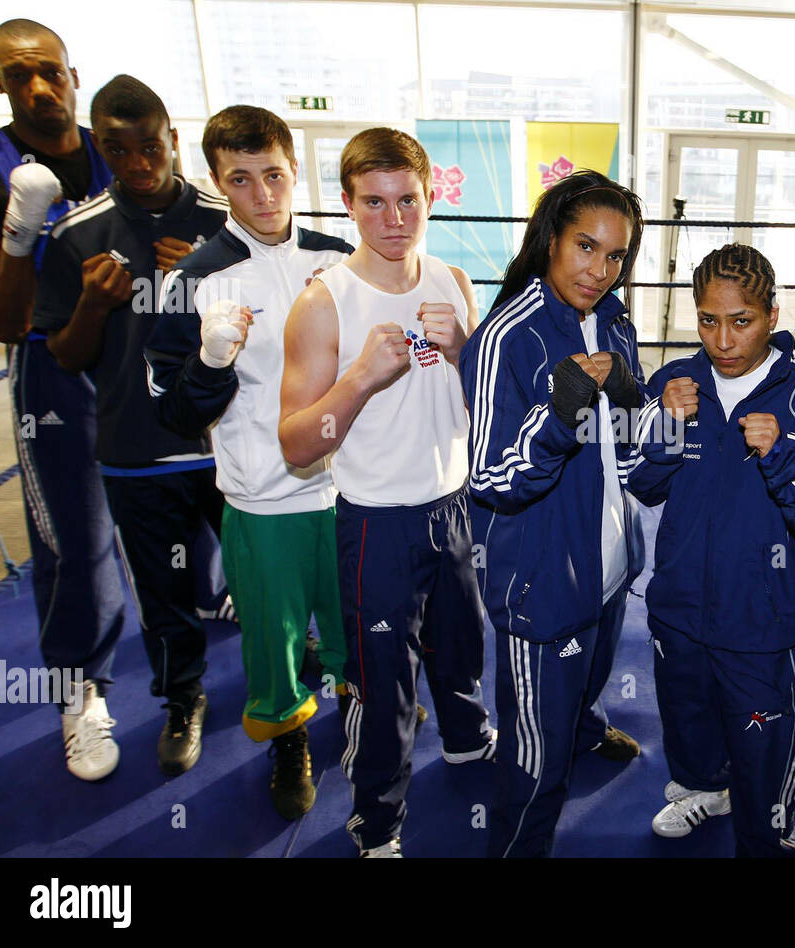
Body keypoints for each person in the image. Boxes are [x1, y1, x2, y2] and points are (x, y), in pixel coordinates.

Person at [278, 127, 494, 857]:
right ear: (347, 204)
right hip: (375, 522)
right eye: (374, 203)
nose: (394, 219)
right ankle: (378, 821)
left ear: (430, 198)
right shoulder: (324, 302)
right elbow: (297, 442)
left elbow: (481, 406)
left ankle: (466, 741)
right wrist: (361, 377)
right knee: (385, 685)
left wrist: (463, 351)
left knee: (462, 645)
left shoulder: (453, 282)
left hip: (453, 504)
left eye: (408, 200)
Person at [144, 106, 352, 818]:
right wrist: (209, 362)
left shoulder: (339, 258)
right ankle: (288, 739)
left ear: (295, 172)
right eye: (242, 179)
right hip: (264, 500)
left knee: (359, 619)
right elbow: (171, 413)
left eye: (273, 175)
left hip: (354, 489)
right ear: (217, 183)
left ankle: (360, 705)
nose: (263, 195)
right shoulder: (195, 280)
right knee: (274, 641)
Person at [628, 243, 795, 856]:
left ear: (773, 316)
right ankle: (703, 788)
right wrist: (667, 431)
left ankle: (770, 832)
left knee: (764, 744)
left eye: (742, 321)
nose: (724, 339)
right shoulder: (674, 385)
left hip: (762, 619)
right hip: (679, 606)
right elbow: (643, 486)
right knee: (686, 716)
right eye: (708, 320)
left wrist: (783, 456)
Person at [31, 75, 230, 776]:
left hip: (228, 446)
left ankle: (288, 697)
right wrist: (91, 304)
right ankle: (183, 700)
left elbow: (277, 333)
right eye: (118, 151)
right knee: (164, 595)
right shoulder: (76, 235)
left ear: (172, 140)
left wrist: (210, 288)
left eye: (150, 146)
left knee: (267, 582)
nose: (138, 163)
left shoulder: (225, 221)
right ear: (103, 151)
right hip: (137, 452)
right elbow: (63, 353)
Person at [460, 169, 647, 858]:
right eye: (585, 247)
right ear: (550, 240)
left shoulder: (616, 319)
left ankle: (585, 723)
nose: (599, 269)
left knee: (590, 675)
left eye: (616, 255)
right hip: (541, 574)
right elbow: (490, 477)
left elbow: (628, 448)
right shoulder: (505, 337)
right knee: (534, 760)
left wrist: (637, 402)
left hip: (608, 557)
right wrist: (559, 413)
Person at [0, 18, 123, 782]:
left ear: (72, 72)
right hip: (49, 368)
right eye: (17, 74)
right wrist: (17, 232)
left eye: (49, 71)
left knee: (192, 488)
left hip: (136, 357)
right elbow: (1, 317)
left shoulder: (118, 144)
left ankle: (208, 595)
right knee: (75, 534)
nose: (38, 86)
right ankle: (81, 689)